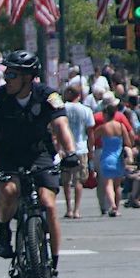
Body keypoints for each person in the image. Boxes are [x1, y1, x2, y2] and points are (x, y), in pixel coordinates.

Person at [0, 50, 78, 278]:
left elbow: (61, 126)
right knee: (9, 191)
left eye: (11, 74)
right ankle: (3, 230)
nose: (6, 78)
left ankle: (52, 269)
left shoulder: (48, 97)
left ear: (28, 77)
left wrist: (71, 153)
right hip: (7, 154)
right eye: (6, 73)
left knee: (49, 205)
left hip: (38, 153)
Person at [60, 86, 95, 219]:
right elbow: (90, 132)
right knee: (78, 181)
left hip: (66, 148)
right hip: (81, 148)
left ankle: (69, 208)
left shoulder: (63, 108)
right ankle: (76, 209)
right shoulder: (86, 110)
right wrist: (91, 149)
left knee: (66, 180)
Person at [95, 102, 133, 217]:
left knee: (107, 184)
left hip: (106, 157)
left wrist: (92, 149)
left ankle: (112, 205)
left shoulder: (103, 127)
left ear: (106, 115)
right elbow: (128, 141)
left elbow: (92, 137)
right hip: (118, 158)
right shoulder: (121, 126)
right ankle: (117, 208)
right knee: (117, 186)